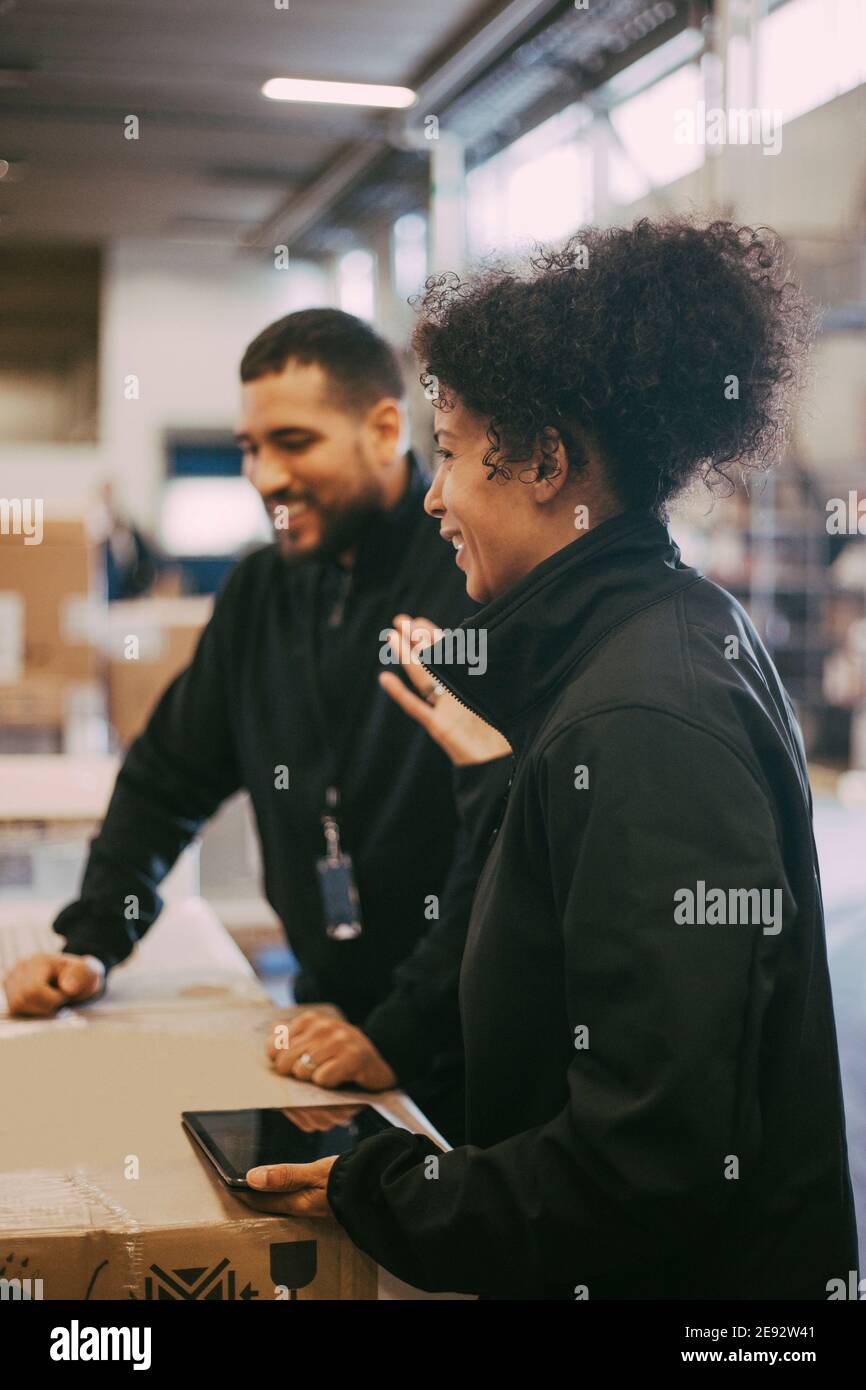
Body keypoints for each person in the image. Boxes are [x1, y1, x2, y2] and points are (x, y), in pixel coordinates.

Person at [242, 219, 859, 1300]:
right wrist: (498, 788)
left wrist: (379, 1182)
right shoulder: (640, 643)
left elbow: (640, 1170)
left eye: (447, 452)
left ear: (543, 462)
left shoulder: (637, 718)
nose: (430, 497)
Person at [2, 308, 511, 1144]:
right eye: (249, 448)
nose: (265, 474)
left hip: (466, 1048)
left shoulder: (470, 584)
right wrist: (93, 940)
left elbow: (501, 847)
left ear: (384, 428)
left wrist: (405, 1028)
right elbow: (168, 777)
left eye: (294, 442)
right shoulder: (260, 597)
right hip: (328, 1025)